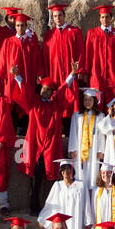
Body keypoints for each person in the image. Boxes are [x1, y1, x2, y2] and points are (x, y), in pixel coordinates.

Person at [22, 76, 74, 212]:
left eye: (49, 90)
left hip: (50, 147)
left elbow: (63, 90)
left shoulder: (55, 105)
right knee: (36, 178)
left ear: (52, 93)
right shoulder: (34, 103)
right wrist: (18, 77)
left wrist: (72, 75)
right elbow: (25, 91)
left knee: (52, 178)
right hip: (36, 147)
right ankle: (33, 206)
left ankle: (51, 206)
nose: (45, 92)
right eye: (44, 89)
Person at [0, 11, 44, 115]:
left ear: (26, 26)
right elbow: (2, 59)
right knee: (12, 102)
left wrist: (39, 73)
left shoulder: (31, 42)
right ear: (15, 27)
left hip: (27, 77)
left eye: (22, 25)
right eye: (17, 25)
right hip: (12, 77)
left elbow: (38, 59)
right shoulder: (8, 41)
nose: (20, 28)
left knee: (26, 100)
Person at [42, 3, 84, 119]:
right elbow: (45, 55)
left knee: (72, 100)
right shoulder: (49, 34)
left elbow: (80, 51)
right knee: (56, 99)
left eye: (59, 15)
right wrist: (45, 74)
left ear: (64, 16)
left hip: (70, 73)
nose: (57, 18)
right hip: (54, 74)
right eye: (55, 16)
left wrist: (80, 70)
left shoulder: (75, 31)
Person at [38, 158, 92, 229]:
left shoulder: (81, 186)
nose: (65, 172)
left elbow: (86, 205)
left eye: (68, 169)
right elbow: (50, 204)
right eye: (63, 169)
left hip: (76, 221)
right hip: (61, 223)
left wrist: (88, 222)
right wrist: (43, 218)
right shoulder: (57, 186)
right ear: (61, 172)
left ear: (72, 170)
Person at [83, 4, 115, 106]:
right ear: (99, 18)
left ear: (111, 18)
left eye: (107, 17)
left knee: (113, 103)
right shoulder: (92, 33)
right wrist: (85, 72)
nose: (105, 19)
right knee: (96, 102)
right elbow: (87, 54)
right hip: (96, 73)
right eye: (102, 17)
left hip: (114, 74)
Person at [68, 87, 106, 190]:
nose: (88, 102)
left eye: (90, 99)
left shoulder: (100, 116)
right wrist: (73, 149)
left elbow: (101, 135)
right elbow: (73, 133)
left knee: (93, 174)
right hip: (80, 149)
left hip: (94, 150)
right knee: (80, 174)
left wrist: (101, 150)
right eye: (85, 99)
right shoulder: (77, 116)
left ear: (94, 101)